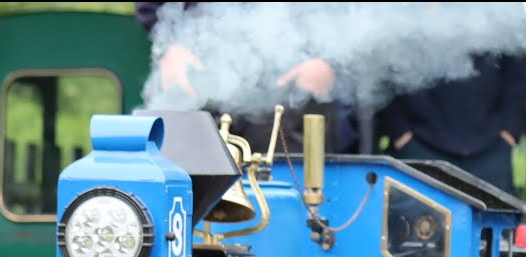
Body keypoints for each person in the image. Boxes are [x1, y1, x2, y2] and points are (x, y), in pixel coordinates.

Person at [133, 2, 359, 154]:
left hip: (294, 74)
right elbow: (153, 8)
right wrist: (170, 46)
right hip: (201, 64)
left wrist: (328, 61)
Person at [376, 2, 526, 196]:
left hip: (491, 147)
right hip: (418, 143)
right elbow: (383, 59)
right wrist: (400, 132)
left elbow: (517, 68)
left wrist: (509, 131)